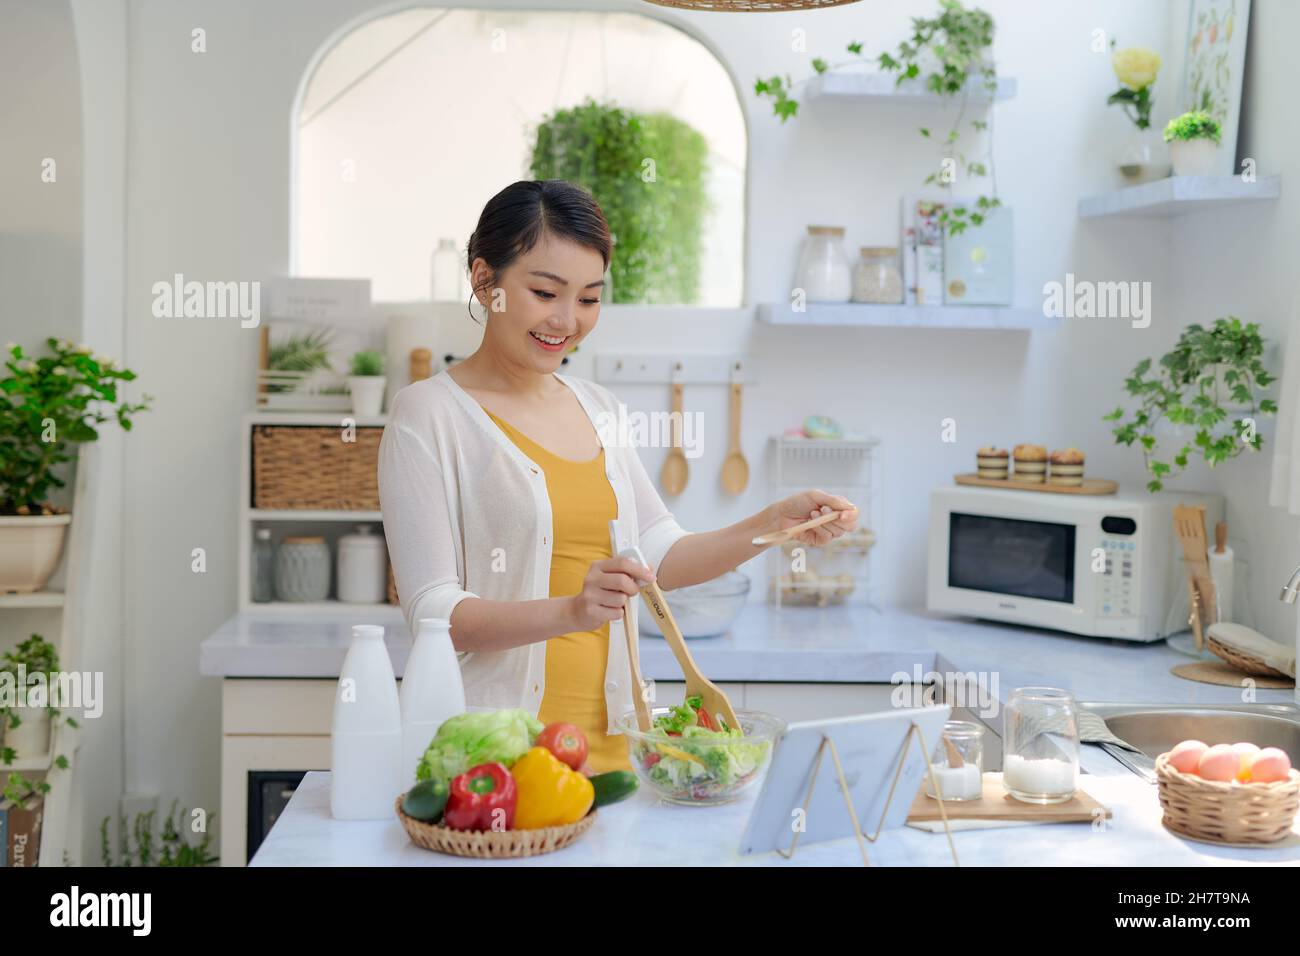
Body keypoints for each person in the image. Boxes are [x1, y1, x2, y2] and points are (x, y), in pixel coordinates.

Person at [378, 180, 857, 772]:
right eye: (545, 292)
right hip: (494, 766)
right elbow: (434, 614)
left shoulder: (598, 407)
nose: (567, 320)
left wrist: (769, 524)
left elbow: (659, 555)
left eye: (588, 298)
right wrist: (572, 612)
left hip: (615, 761)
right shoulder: (428, 414)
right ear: (484, 280)